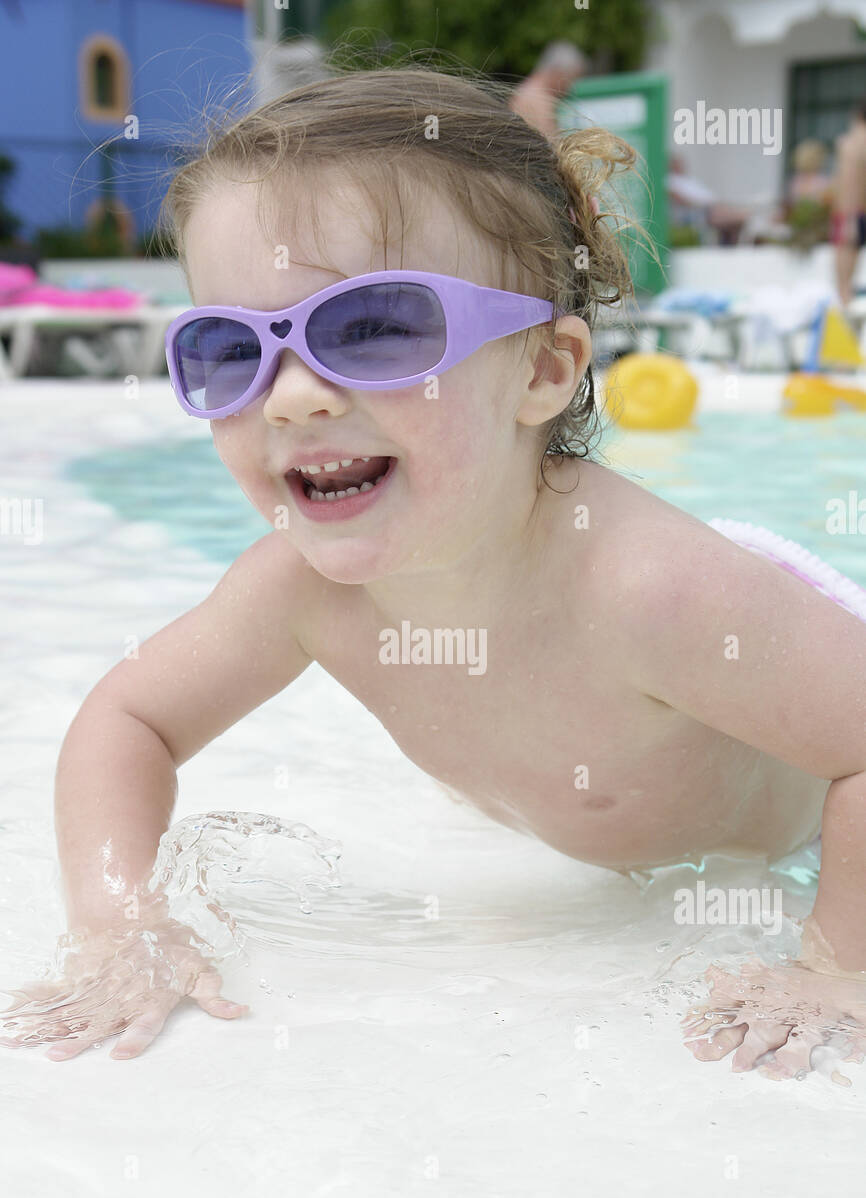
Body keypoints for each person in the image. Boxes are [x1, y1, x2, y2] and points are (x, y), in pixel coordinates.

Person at [4, 63, 866, 1080]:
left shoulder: (654, 592)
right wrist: (118, 924)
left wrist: (837, 966)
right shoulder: (299, 590)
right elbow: (125, 719)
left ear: (543, 370)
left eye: (373, 329)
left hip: (783, 826)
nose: (290, 397)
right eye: (230, 350)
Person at [507, 41, 586, 142]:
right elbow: (551, 144)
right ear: (559, 73)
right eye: (570, 79)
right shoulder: (538, 99)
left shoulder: (529, 91)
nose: (569, 87)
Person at [832, 100, 866, 305]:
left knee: (844, 287)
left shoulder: (851, 143)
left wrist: (849, 218)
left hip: (851, 212)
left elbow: (848, 183)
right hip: (858, 210)